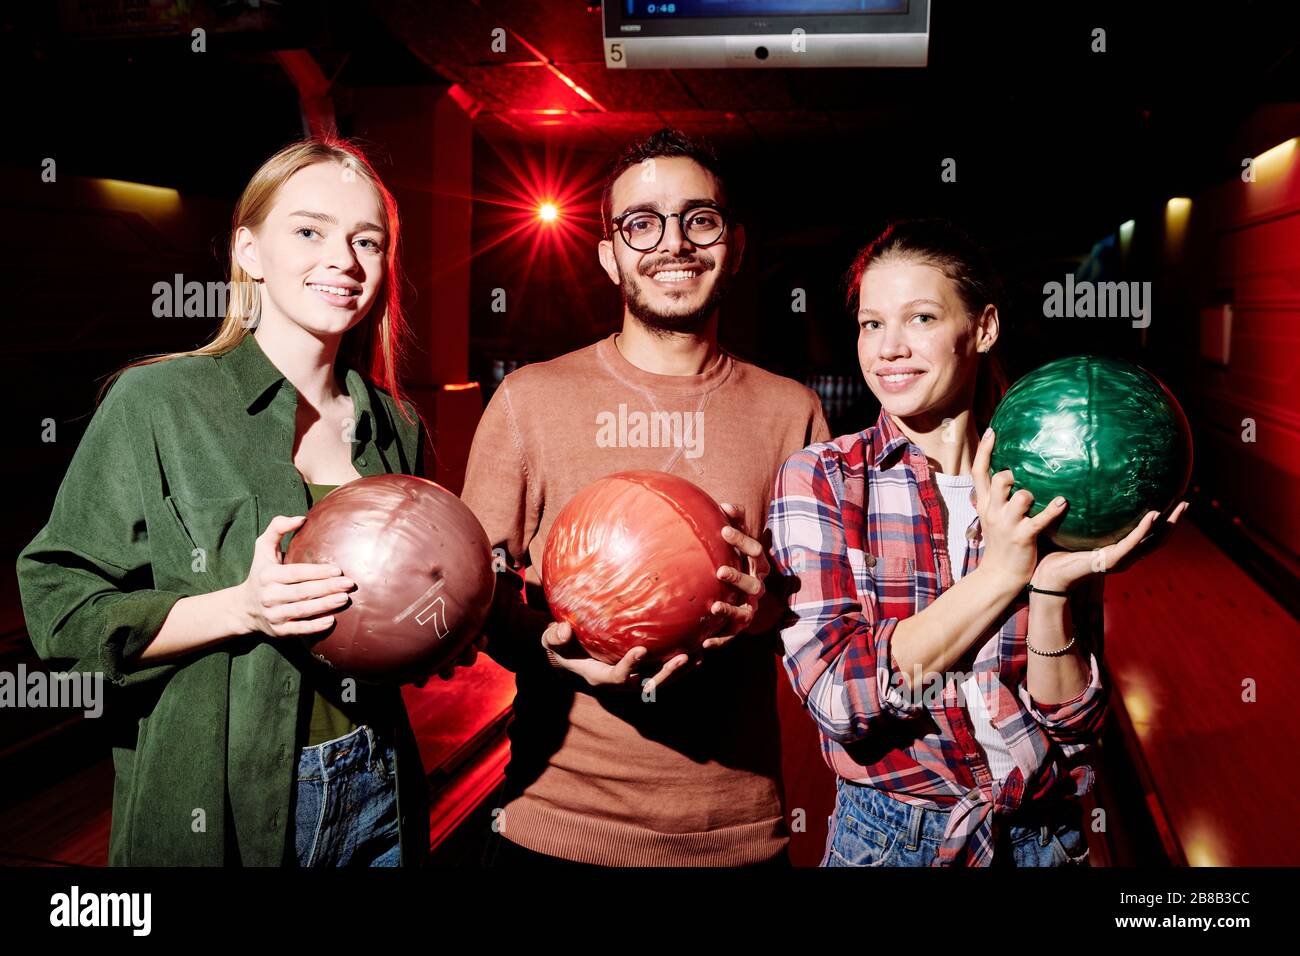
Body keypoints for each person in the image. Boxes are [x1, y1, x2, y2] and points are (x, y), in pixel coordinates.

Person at [17, 137, 475, 866]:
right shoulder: (159, 403)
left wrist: (440, 627)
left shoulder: (396, 425)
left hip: (378, 779)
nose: (344, 261)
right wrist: (243, 608)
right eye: (309, 231)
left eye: (368, 241)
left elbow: (393, 616)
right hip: (227, 801)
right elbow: (61, 611)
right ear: (250, 251)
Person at [767, 219, 1190, 866]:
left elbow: (1074, 729)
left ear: (984, 327)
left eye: (922, 318)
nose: (889, 348)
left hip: (1046, 839)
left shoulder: (1051, 479)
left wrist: (1049, 590)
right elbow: (840, 696)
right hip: (890, 844)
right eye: (872, 324)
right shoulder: (823, 478)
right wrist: (1001, 573)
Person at [463, 128, 829, 867]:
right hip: (552, 822)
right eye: (642, 223)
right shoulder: (529, 400)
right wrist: (548, 645)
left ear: (734, 243)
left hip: (737, 832)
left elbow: (821, 617)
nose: (674, 245)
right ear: (609, 254)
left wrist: (763, 611)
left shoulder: (793, 411)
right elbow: (474, 596)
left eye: (700, 219)